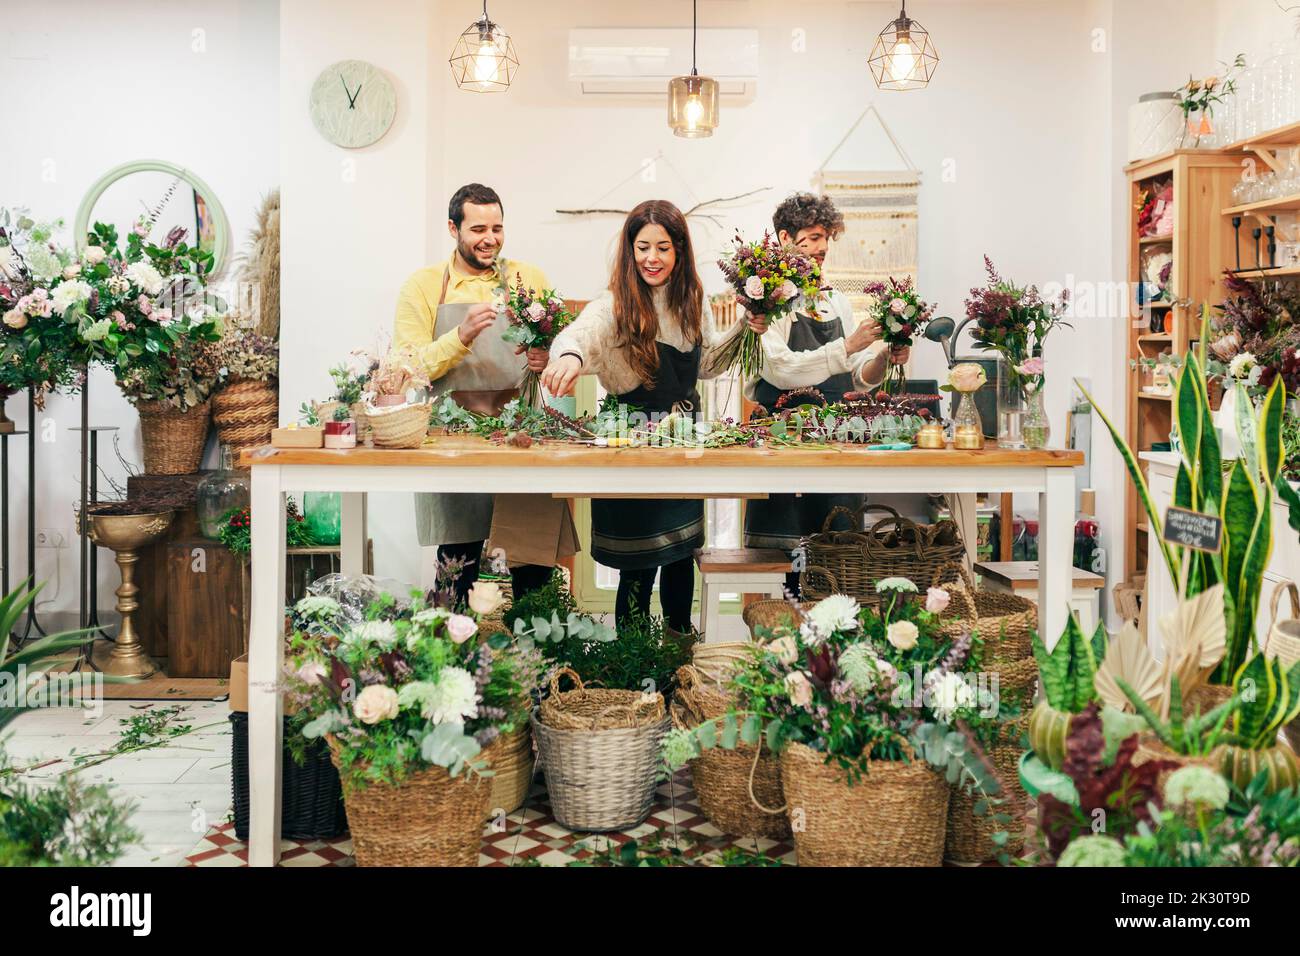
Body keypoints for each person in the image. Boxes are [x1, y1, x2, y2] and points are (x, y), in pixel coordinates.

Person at [541, 200, 762, 633]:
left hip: (684, 444)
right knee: (638, 566)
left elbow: (708, 365)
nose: (652, 258)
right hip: (633, 445)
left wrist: (744, 326)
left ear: (679, 250)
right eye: (643, 247)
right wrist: (566, 355)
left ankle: (679, 657)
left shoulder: (690, 300)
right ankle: (635, 664)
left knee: (682, 557)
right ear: (630, 249)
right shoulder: (615, 304)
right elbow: (582, 333)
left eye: (663, 247)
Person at [393, 182, 554, 608]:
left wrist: (545, 356)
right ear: (453, 228)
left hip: (521, 436)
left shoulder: (528, 278)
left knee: (531, 560)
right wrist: (459, 336)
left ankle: (537, 669)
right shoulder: (424, 287)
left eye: (498, 228)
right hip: (453, 440)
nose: (490, 239)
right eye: (478, 229)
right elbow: (407, 370)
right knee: (457, 561)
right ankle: (453, 662)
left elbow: (555, 347)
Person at [743, 192, 911, 596]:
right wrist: (848, 347)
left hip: (836, 441)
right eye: (813, 237)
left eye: (826, 239)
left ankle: (831, 646)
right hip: (784, 441)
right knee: (787, 564)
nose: (821, 248)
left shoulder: (835, 300)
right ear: (785, 237)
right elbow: (780, 370)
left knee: (837, 558)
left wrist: (884, 357)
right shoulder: (770, 303)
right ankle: (784, 647)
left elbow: (854, 379)